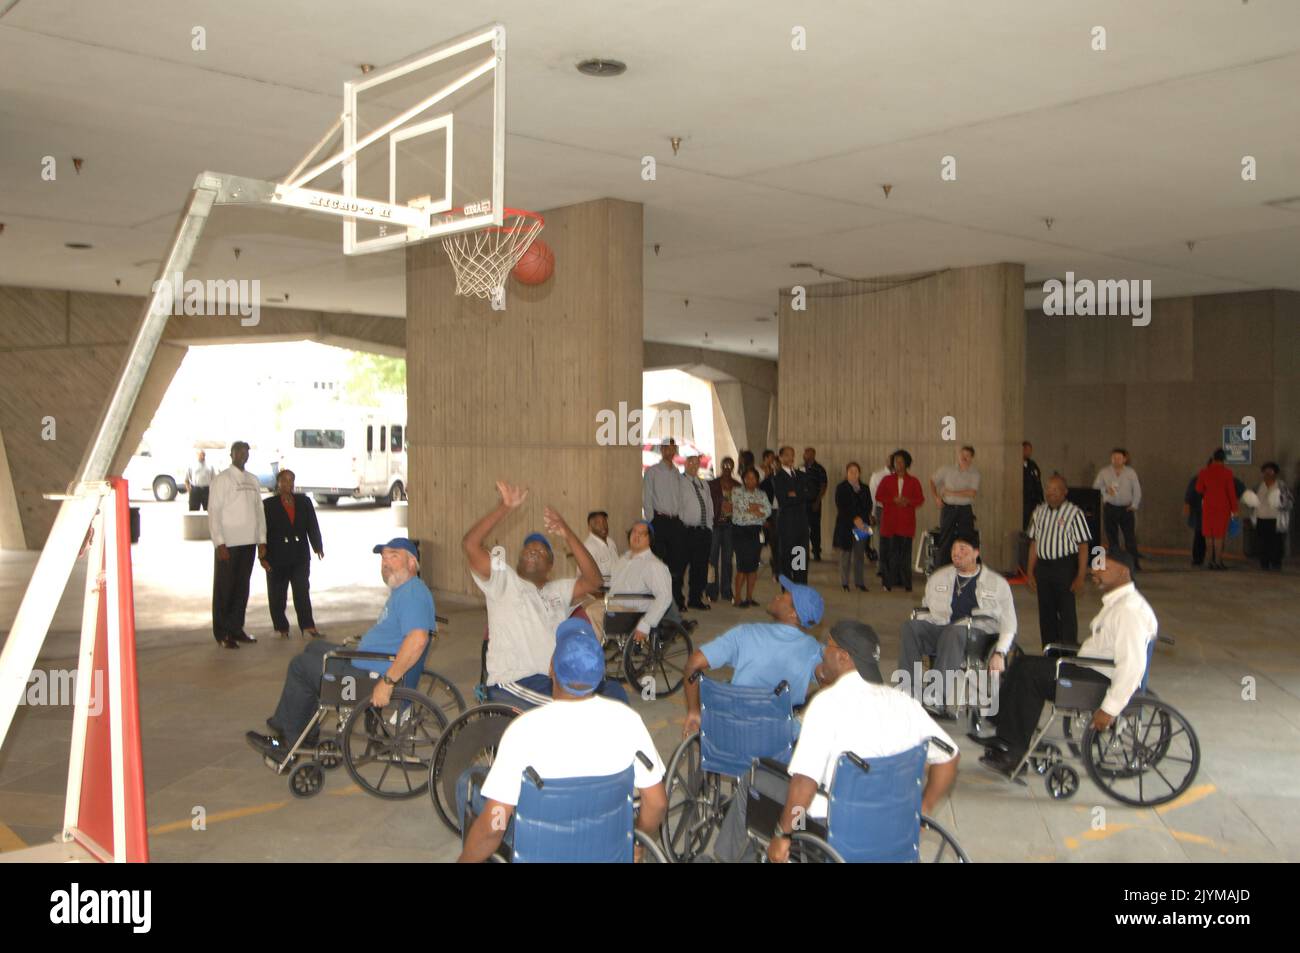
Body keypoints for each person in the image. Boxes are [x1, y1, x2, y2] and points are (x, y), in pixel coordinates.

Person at [713, 622, 959, 863]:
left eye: (827, 648)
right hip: (893, 827)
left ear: (843, 657)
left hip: (832, 829)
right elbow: (950, 757)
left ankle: (722, 859)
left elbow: (804, 785)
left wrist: (784, 833)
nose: (822, 654)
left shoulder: (827, 704)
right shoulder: (905, 704)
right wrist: (923, 809)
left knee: (753, 778)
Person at [457, 620, 668, 863]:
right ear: (600, 676)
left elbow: (495, 824)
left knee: (468, 781)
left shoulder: (523, 732)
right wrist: (636, 844)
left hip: (540, 852)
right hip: (605, 849)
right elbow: (658, 803)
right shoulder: (628, 722)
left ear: (551, 670)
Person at [244, 538, 434, 762]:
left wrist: (388, 682)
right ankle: (296, 730)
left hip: (373, 676)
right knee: (314, 648)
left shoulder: (412, 594)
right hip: (368, 662)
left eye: (393, 556)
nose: (385, 562)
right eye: (383, 557)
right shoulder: (404, 590)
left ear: (412, 563)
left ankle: (289, 742)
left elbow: (418, 640)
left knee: (301, 667)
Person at [979, 549, 1155, 776]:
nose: (1095, 570)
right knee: (1022, 663)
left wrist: (1109, 709)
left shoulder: (1129, 611)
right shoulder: (1120, 603)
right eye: (1096, 565)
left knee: (1031, 675)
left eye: (1103, 567)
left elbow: (1133, 665)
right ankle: (1002, 729)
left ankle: (1013, 753)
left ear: (1123, 572)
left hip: (1098, 679)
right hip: (1090, 668)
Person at [464, 480, 624, 707]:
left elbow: (594, 581)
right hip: (514, 681)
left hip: (553, 680)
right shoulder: (504, 579)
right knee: (577, 706)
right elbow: (471, 545)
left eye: (540, 550)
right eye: (528, 549)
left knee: (614, 692)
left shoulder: (558, 589)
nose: (532, 551)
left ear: (550, 565)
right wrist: (505, 507)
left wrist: (567, 533)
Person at [680, 575, 825, 738]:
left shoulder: (745, 634)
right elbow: (831, 679)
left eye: (784, 596)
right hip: (777, 742)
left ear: (793, 614)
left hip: (732, 735)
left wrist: (693, 711)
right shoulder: (814, 649)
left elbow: (694, 664)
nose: (777, 596)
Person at [898, 532, 1016, 714]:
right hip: (944, 630)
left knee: (954, 631)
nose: (956, 553)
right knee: (911, 627)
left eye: (962, 549)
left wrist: (1000, 652)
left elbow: (1009, 623)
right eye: (954, 549)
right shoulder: (939, 577)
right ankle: (908, 690)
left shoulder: (997, 583)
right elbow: (926, 609)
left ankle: (936, 694)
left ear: (976, 553)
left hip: (976, 637)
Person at [208, 440, 266, 649]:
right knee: (225, 589)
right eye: (239, 451)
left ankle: (236, 628)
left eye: (246, 452)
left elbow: (259, 512)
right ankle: (222, 632)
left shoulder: (252, 480)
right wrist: (219, 543)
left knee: (242, 588)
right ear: (231, 454)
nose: (243, 455)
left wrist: (262, 540)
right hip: (229, 544)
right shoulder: (222, 480)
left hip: (249, 542)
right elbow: (214, 512)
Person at [1026, 474, 1091, 647]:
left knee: (1066, 612)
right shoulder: (1038, 512)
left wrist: (1080, 576)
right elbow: (1034, 543)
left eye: (1055, 490)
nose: (1051, 493)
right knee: (1046, 612)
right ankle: (1049, 651)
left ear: (1064, 492)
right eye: (1048, 489)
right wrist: (1030, 572)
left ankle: (1068, 651)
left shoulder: (1074, 513)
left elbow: (1083, 546)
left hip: (1064, 567)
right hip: (1044, 568)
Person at [259, 469, 324, 639]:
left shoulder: (304, 502)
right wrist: (262, 555)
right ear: (278, 484)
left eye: (291, 480)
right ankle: (281, 627)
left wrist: (317, 546)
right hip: (277, 556)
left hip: (299, 555)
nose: (288, 484)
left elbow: (312, 525)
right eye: (284, 480)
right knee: (277, 594)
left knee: (302, 590)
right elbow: (261, 531)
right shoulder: (268, 505)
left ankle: (308, 626)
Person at [606, 520, 674, 642]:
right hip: (613, 607)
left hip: (630, 612)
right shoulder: (622, 560)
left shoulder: (653, 565)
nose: (636, 536)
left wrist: (647, 623)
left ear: (649, 539)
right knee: (581, 609)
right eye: (634, 532)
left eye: (642, 533)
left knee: (589, 615)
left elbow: (665, 596)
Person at [643, 438, 687, 610]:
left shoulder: (677, 472)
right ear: (661, 450)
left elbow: (680, 499)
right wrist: (651, 522)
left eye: (672, 448)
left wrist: (681, 518)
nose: (669, 451)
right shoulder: (653, 472)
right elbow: (647, 498)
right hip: (659, 522)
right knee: (658, 564)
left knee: (677, 565)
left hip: (675, 522)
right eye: (666, 448)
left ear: (675, 450)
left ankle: (676, 602)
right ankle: (655, 602)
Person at [876, 449, 924, 592]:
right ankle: (888, 583)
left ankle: (906, 583)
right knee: (889, 554)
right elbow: (879, 496)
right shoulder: (887, 480)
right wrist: (892, 500)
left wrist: (908, 501)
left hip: (906, 524)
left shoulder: (914, 481)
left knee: (905, 555)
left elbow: (920, 499)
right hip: (889, 523)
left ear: (906, 463)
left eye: (901, 461)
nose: (898, 464)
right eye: (896, 461)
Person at [930, 446, 980, 568]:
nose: (964, 457)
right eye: (962, 454)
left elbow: (972, 493)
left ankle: (966, 568)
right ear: (958, 455)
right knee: (945, 539)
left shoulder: (974, 473)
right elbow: (932, 480)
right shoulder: (947, 469)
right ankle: (942, 569)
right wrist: (936, 497)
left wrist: (951, 493)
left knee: (966, 540)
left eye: (967, 455)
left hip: (964, 509)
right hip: (948, 508)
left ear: (971, 458)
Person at [1093, 449, 1142, 571]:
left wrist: (1134, 505)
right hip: (1110, 507)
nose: (1116, 460)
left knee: (1130, 538)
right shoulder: (1104, 472)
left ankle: (1134, 564)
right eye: (1114, 458)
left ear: (1125, 459)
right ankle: (1115, 564)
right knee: (1112, 538)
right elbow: (1095, 487)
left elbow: (1137, 490)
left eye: (1119, 458)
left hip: (1126, 509)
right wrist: (1105, 490)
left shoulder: (1131, 473)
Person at [730, 466, 771, 607]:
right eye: (747, 478)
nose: (750, 480)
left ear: (757, 480)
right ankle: (737, 598)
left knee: (753, 567)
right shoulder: (736, 491)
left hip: (756, 532)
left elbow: (768, 510)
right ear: (743, 479)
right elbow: (739, 506)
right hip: (741, 532)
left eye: (753, 478)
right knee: (742, 566)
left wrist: (752, 508)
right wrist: (756, 509)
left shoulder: (762, 494)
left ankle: (749, 597)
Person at [772, 446, 813, 583]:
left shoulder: (801, 475)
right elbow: (783, 500)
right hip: (787, 526)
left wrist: (795, 494)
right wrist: (798, 495)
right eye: (787, 455)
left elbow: (808, 495)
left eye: (792, 455)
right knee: (787, 560)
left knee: (800, 560)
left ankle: (800, 590)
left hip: (801, 525)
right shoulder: (778, 477)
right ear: (781, 457)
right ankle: (788, 594)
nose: (791, 458)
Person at [679, 454, 714, 610]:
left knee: (700, 567)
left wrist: (710, 527)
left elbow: (709, 506)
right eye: (691, 463)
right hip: (686, 531)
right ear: (686, 464)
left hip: (703, 531)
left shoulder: (703, 484)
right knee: (681, 566)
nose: (694, 466)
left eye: (697, 463)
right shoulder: (679, 482)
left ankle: (695, 598)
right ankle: (678, 600)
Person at [1195, 450, 1239, 571]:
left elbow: (1198, 489)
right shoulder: (1227, 473)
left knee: (1208, 535)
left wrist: (1208, 493)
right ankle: (1218, 562)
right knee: (1219, 536)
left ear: (1213, 458)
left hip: (1208, 506)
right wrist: (1234, 508)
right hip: (1223, 506)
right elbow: (1231, 492)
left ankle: (1209, 561)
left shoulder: (1204, 472)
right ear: (1224, 459)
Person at [833, 462, 873, 592]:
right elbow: (841, 506)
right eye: (851, 471)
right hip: (846, 524)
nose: (854, 474)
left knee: (860, 555)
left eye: (856, 471)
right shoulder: (841, 487)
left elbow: (868, 505)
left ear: (859, 473)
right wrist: (854, 518)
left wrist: (861, 520)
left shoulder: (865, 488)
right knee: (846, 554)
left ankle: (859, 582)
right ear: (847, 473)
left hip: (862, 525)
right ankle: (845, 583)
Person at [706, 456, 739, 605]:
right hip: (715, 525)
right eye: (724, 464)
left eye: (730, 465)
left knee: (727, 560)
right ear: (720, 466)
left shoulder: (737, 485)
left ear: (733, 468)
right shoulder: (712, 484)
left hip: (730, 526)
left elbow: (742, 506)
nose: (727, 467)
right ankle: (711, 591)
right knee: (712, 560)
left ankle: (726, 591)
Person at [1249, 462, 1292, 571]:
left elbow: (1289, 502)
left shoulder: (1281, 486)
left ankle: (1276, 563)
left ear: (1275, 473)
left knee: (1276, 543)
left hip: (1275, 519)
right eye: (1265, 471)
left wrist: (1281, 503)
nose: (1267, 474)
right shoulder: (1258, 486)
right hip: (1261, 518)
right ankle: (1264, 563)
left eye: (1270, 471)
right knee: (1262, 542)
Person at [866, 454, 893, 566]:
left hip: (896, 511)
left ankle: (892, 564)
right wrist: (871, 514)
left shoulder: (900, 477)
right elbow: (872, 496)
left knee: (894, 539)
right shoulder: (877, 476)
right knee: (881, 538)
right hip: (881, 509)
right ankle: (881, 566)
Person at [803, 447, 829, 562]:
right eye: (805, 453)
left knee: (815, 528)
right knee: (803, 529)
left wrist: (817, 501)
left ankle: (817, 552)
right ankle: (804, 552)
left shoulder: (819, 469)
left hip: (814, 503)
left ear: (813, 455)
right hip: (802, 504)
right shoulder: (800, 468)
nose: (806, 455)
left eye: (808, 454)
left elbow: (823, 486)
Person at [759, 449, 780, 581]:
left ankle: (792, 571)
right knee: (775, 545)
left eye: (776, 464)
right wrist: (765, 518)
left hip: (787, 516)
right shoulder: (767, 482)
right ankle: (776, 572)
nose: (775, 466)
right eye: (773, 464)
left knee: (790, 547)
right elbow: (761, 501)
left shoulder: (793, 479)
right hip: (772, 515)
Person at [583, 510, 618, 585]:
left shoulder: (611, 542)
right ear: (590, 527)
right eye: (597, 523)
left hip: (615, 588)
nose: (603, 526)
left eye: (604, 522)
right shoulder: (589, 547)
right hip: (601, 593)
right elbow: (587, 578)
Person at [1183, 468, 1207, 567]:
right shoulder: (1198, 478)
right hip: (1200, 511)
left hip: (1204, 510)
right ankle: (1198, 558)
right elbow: (1190, 494)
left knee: (1201, 535)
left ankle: (1199, 558)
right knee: (1200, 535)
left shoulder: (1198, 478)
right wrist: (1187, 505)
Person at [1022, 441, 1044, 531]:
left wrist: (1040, 498)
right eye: (1026, 450)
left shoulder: (1033, 465)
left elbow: (1038, 482)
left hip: (1033, 500)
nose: (1028, 452)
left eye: (1030, 450)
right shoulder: (1016, 465)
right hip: (1023, 500)